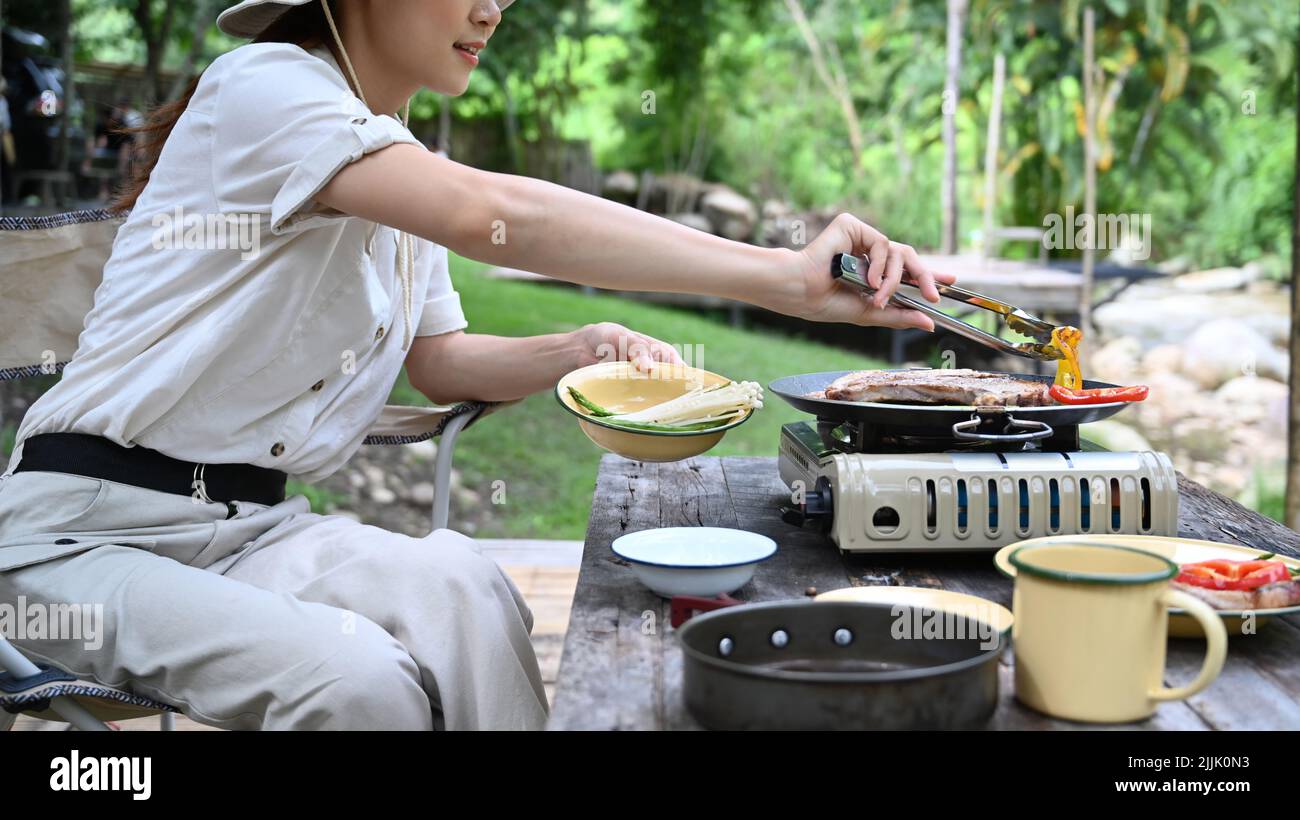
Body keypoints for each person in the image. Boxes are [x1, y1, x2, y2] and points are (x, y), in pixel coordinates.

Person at [0, 0, 954, 731]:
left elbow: (442, 362)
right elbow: (495, 212)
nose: (493, 8)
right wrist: (780, 278)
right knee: (357, 681)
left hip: (251, 529)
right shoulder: (263, 85)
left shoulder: (394, 165)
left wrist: (579, 349)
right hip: (81, 539)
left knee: (464, 580)